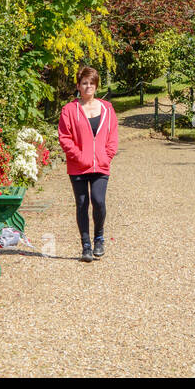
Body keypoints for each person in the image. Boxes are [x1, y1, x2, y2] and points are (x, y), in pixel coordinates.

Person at [57, 66, 118, 263]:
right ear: (78, 86)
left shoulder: (107, 109)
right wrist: (79, 157)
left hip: (100, 165)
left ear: (96, 86)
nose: (88, 86)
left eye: (92, 83)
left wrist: (106, 156)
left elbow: (113, 137)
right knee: (82, 204)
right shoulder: (69, 110)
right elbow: (64, 138)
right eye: (84, 83)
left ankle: (99, 237)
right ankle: (86, 245)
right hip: (78, 166)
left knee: (98, 201)